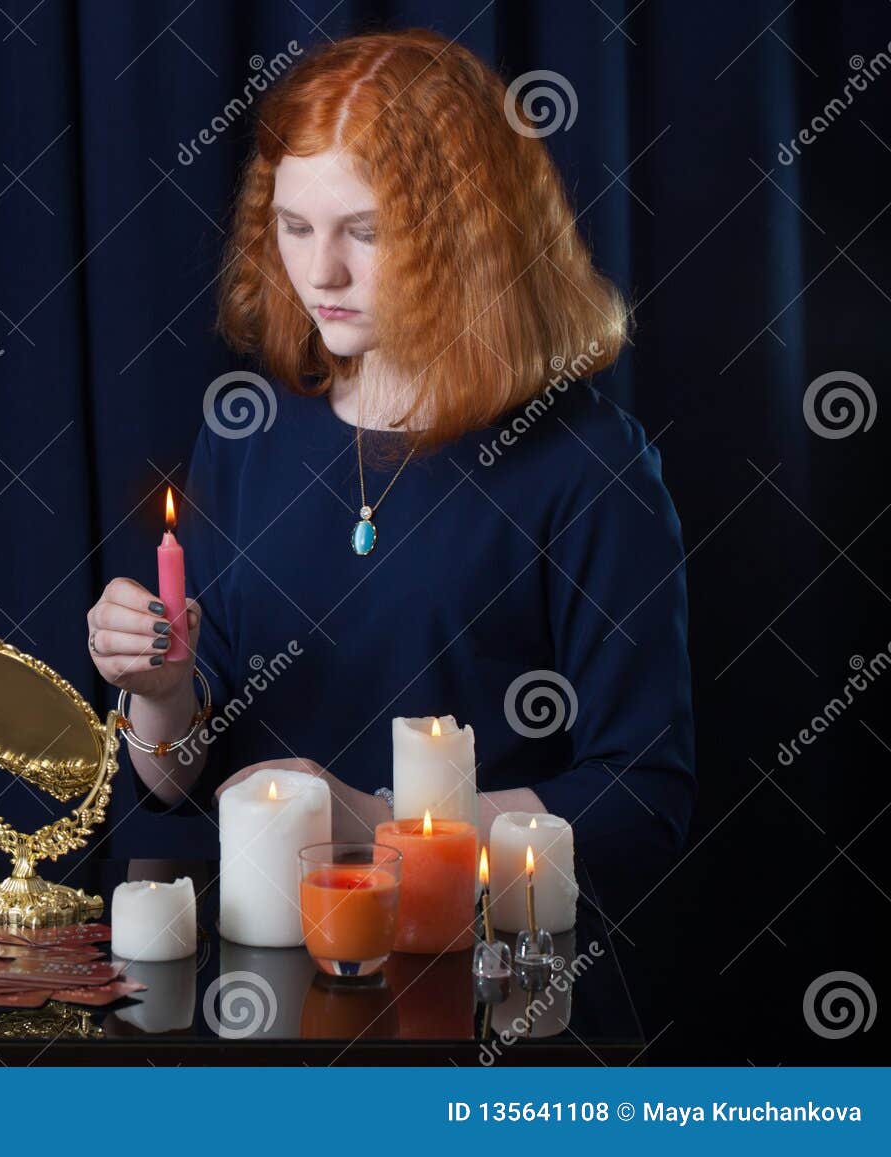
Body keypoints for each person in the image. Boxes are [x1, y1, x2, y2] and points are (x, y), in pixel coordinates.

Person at [84, 30, 694, 905]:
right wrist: (163, 694)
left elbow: (644, 798)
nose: (320, 270)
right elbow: (179, 781)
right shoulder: (247, 435)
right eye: (294, 226)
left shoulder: (589, 466)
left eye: (365, 232)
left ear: (466, 237)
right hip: (263, 972)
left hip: (484, 985)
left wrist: (379, 826)